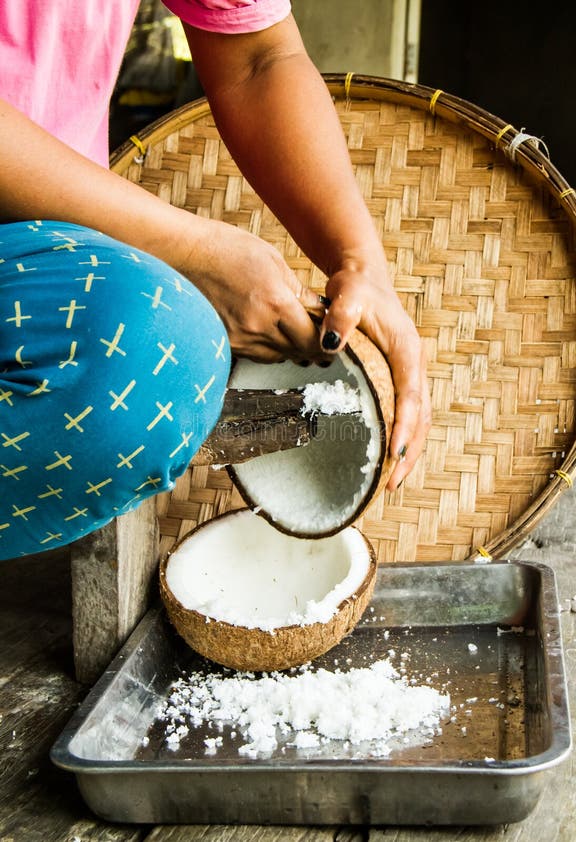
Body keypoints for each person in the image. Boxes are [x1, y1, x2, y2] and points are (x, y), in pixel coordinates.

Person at [0, 0, 431, 560]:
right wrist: (190, 251)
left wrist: (360, 261)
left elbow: (257, 56)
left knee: (146, 348)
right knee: (158, 349)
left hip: (48, 255)